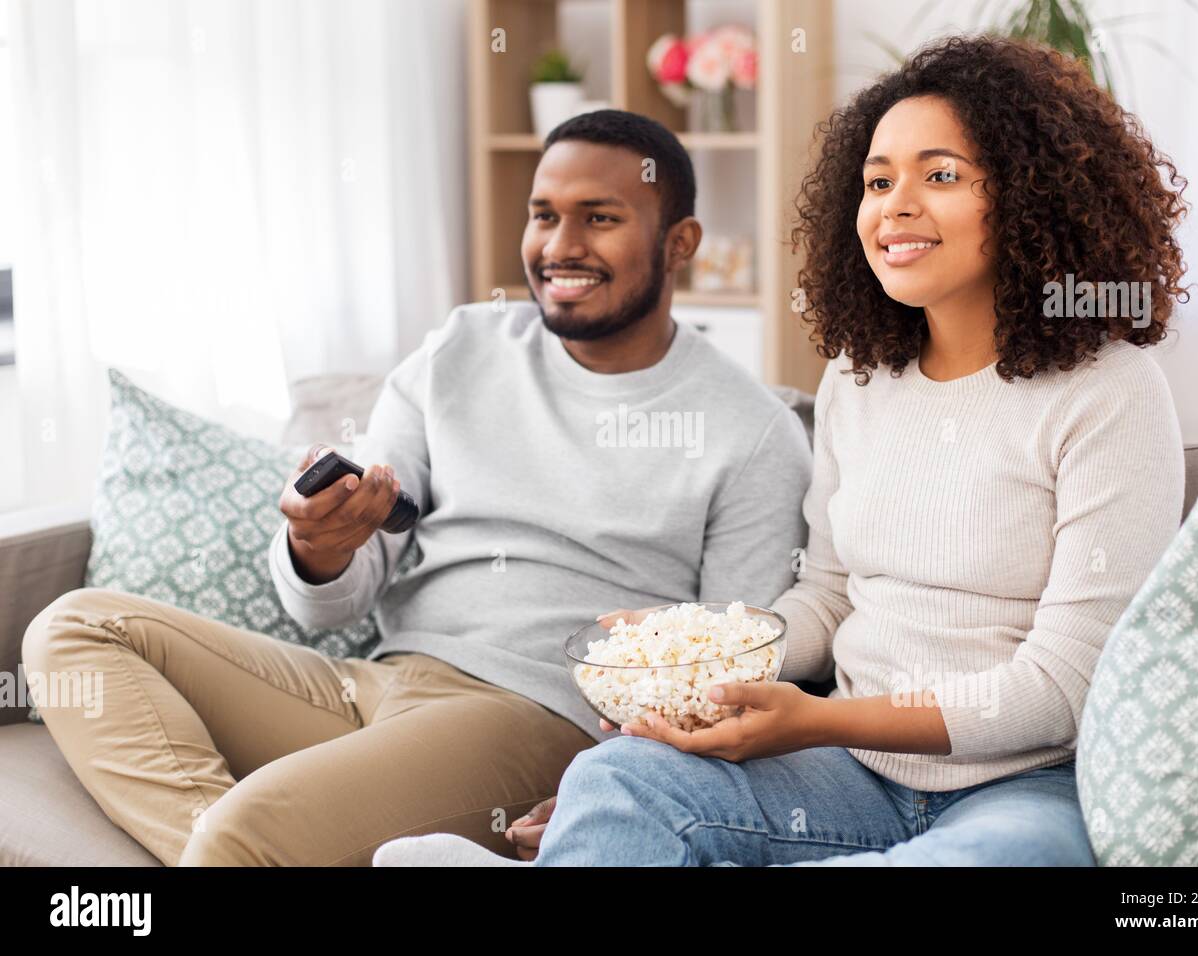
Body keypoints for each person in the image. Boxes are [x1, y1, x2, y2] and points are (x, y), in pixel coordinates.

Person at [399, 34, 1190, 867]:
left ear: (1034, 198)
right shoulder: (859, 380)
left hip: (1023, 790)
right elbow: (830, 595)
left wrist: (815, 719)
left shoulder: (1109, 393)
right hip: (849, 777)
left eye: (941, 175)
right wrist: (697, 650)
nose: (896, 204)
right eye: (878, 180)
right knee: (617, 775)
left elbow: (1065, 689)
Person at [21, 109, 812, 866]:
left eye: (599, 218)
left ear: (680, 243)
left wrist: (619, 785)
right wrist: (315, 548)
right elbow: (335, 600)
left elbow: (731, 682)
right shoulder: (461, 349)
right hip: (374, 680)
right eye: (543, 215)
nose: (559, 246)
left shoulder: (752, 432)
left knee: (245, 833)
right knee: (74, 632)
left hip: (530, 718)